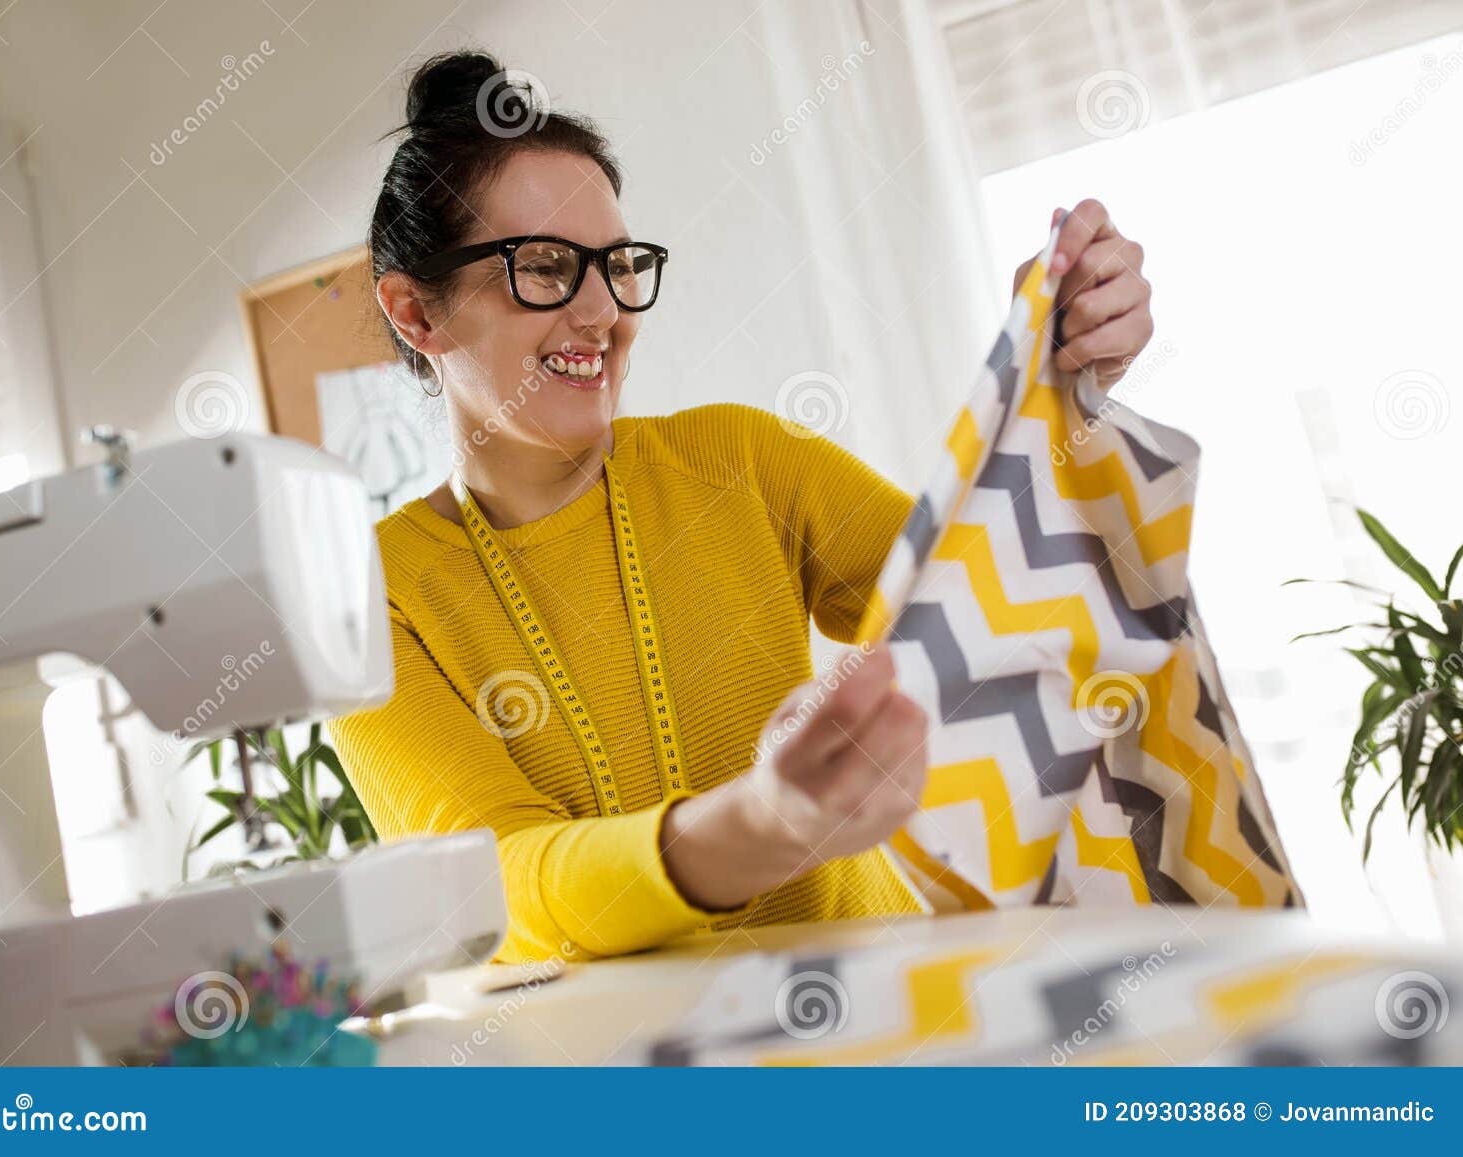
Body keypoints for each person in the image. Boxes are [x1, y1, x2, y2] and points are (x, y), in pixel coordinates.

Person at [326, 50, 1155, 964]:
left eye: (617, 265)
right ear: (416, 314)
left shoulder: (741, 460)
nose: (603, 311)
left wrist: (1051, 390)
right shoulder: (374, 603)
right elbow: (495, 889)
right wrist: (762, 823)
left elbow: (1007, 606)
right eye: (549, 267)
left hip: (885, 1030)